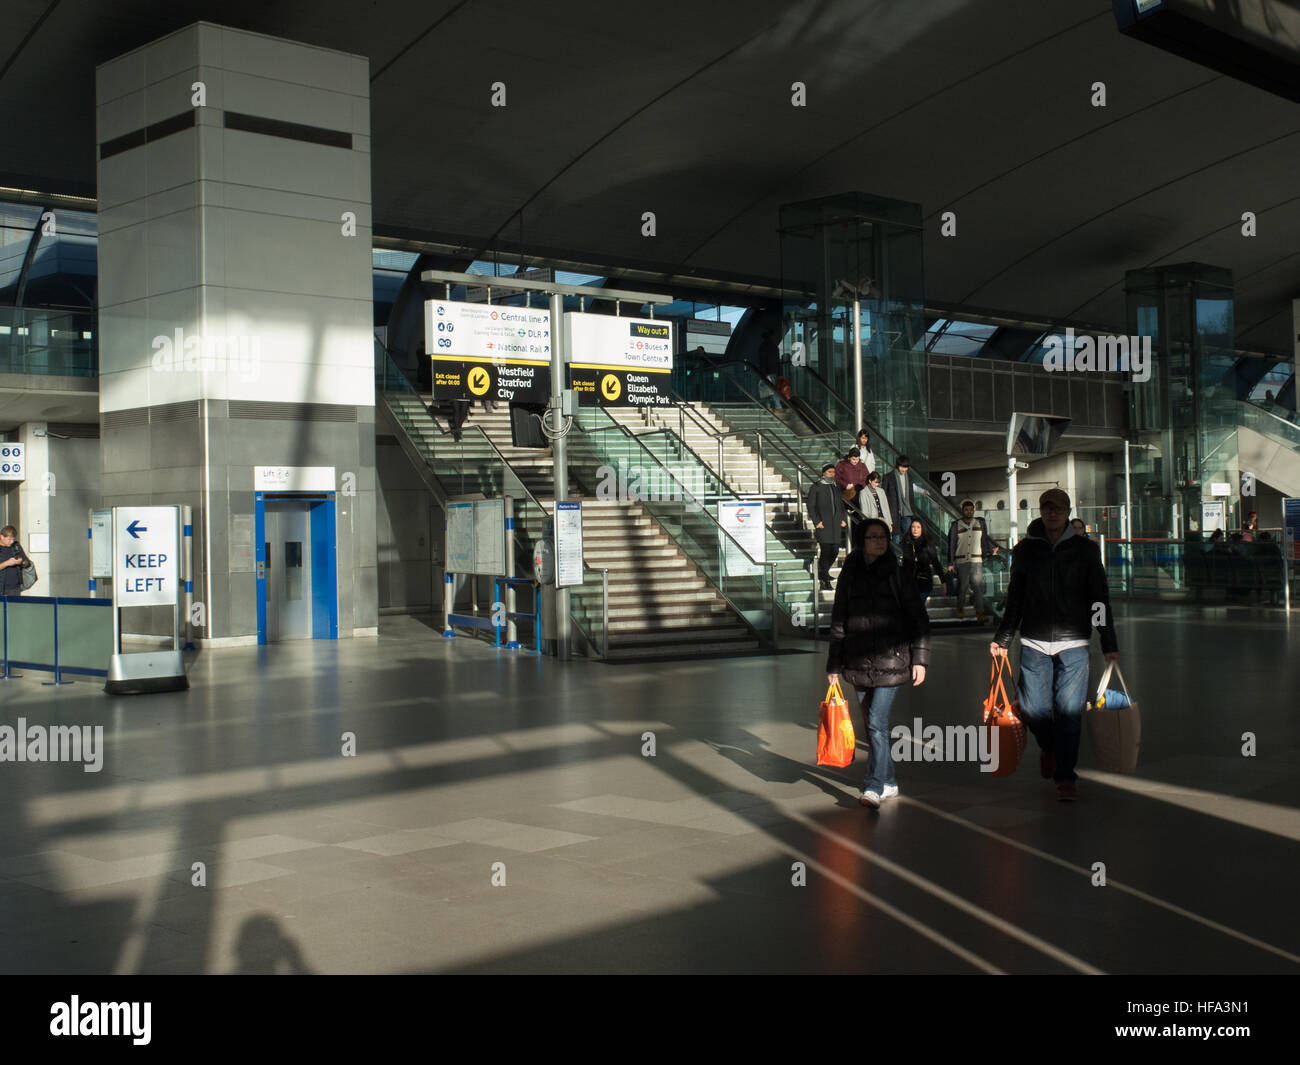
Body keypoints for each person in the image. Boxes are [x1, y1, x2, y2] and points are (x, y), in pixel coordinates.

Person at [990, 488, 1119, 802]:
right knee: (1033, 709)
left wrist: (1108, 642)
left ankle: (1065, 777)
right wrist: (1003, 637)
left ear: (1067, 511)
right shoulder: (1026, 551)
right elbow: (1016, 598)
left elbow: (1099, 599)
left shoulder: (1086, 551)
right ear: (1041, 511)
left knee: (1070, 712)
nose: (1053, 513)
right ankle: (1049, 746)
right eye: (1047, 508)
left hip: (1074, 641)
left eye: (1059, 509)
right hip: (1034, 640)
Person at [826, 517, 931, 809]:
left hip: (892, 660)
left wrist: (920, 659)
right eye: (872, 537)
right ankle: (889, 780)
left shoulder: (898, 574)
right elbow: (839, 620)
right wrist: (834, 665)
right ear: (862, 542)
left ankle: (872, 786)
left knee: (875, 723)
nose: (879, 542)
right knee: (875, 727)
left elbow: (918, 618)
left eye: (883, 536)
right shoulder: (850, 574)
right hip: (857, 661)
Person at [947, 498, 999, 622]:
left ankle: (980, 612)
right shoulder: (956, 525)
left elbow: (985, 539)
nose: (969, 512)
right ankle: (960, 609)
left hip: (977, 560)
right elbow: (952, 544)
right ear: (962, 511)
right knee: (962, 587)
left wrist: (992, 549)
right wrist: (950, 562)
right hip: (961, 561)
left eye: (971, 510)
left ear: (974, 510)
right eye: (966, 510)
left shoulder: (980, 523)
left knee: (978, 588)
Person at [806, 463, 847, 591]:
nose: (832, 474)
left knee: (835, 550)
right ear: (823, 472)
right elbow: (811, 505)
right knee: (826, 551)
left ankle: (823, 572)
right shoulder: (816, 487)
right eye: (829, 472)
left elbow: (840, 505)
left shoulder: (835, 487)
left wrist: (843, 519)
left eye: (833, 472)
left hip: (835, 524)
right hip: (823, 524)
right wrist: (817, 521)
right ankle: (825, 580)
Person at [901, 519, 943, 603]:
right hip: (909, 582)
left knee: (918, 606)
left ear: (922, 529)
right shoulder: (906, 542)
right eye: (913, 527)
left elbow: (935, 562)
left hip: (924, 581)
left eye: (918, 527)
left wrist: (943, 581)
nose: (915, 529)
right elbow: (905, 563)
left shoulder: (928, 542)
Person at [883, 456, 919, 543]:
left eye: (906, 467)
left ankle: (906, 555)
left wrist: (924, 491)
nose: (904, 469)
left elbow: (911, 491)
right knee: (896, 537)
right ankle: (896, 556)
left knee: (908, 537)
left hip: (907, 512)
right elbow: (883, 496)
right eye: (902, 466)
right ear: (897, 465)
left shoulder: (909, 477)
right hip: (894, 512)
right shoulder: (888, 477)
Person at [0, 525, 32, 597]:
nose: (11, 542)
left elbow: (27, 562)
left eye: (13, 539)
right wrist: (7, 563)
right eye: (9, 539)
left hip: (14, 588)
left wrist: (22, 562)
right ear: (1, 537)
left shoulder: (16, 546)